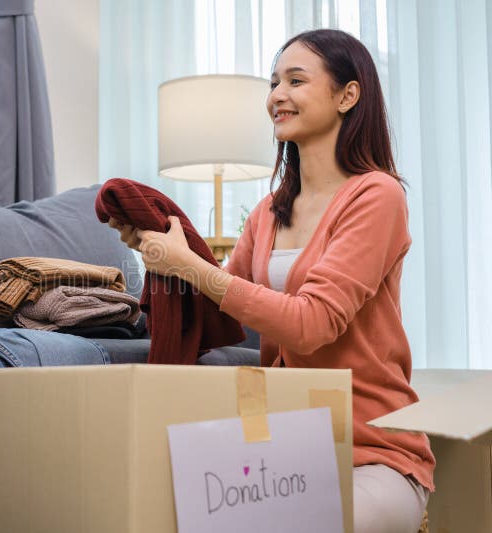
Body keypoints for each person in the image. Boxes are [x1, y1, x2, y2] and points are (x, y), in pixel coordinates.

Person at [110, 29, 434, 533]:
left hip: (374, 455)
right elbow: (223, 308)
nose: (276, 96)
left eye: (296, 80)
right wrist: (159, 253)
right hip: (287, 452)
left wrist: (190, 266)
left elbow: (311, 324)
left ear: (348, 95)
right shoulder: (267, 213)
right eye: (273, 82)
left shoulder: (378, 197)